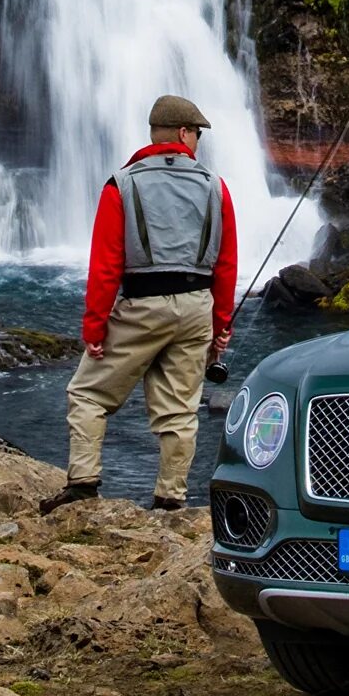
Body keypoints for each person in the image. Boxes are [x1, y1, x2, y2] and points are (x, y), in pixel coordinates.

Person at [50, 95, 237, 512]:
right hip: (195, 309)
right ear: (185, 133)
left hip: (141, 306)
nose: (199, 142)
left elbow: (105, 265)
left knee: (88, 394)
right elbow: (226, 264)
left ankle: (83, 483)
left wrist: (94, 328)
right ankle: (170, 499)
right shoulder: (216, 187)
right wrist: (221, 326)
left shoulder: (122, 183)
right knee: (180, 411)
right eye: (198, 134)